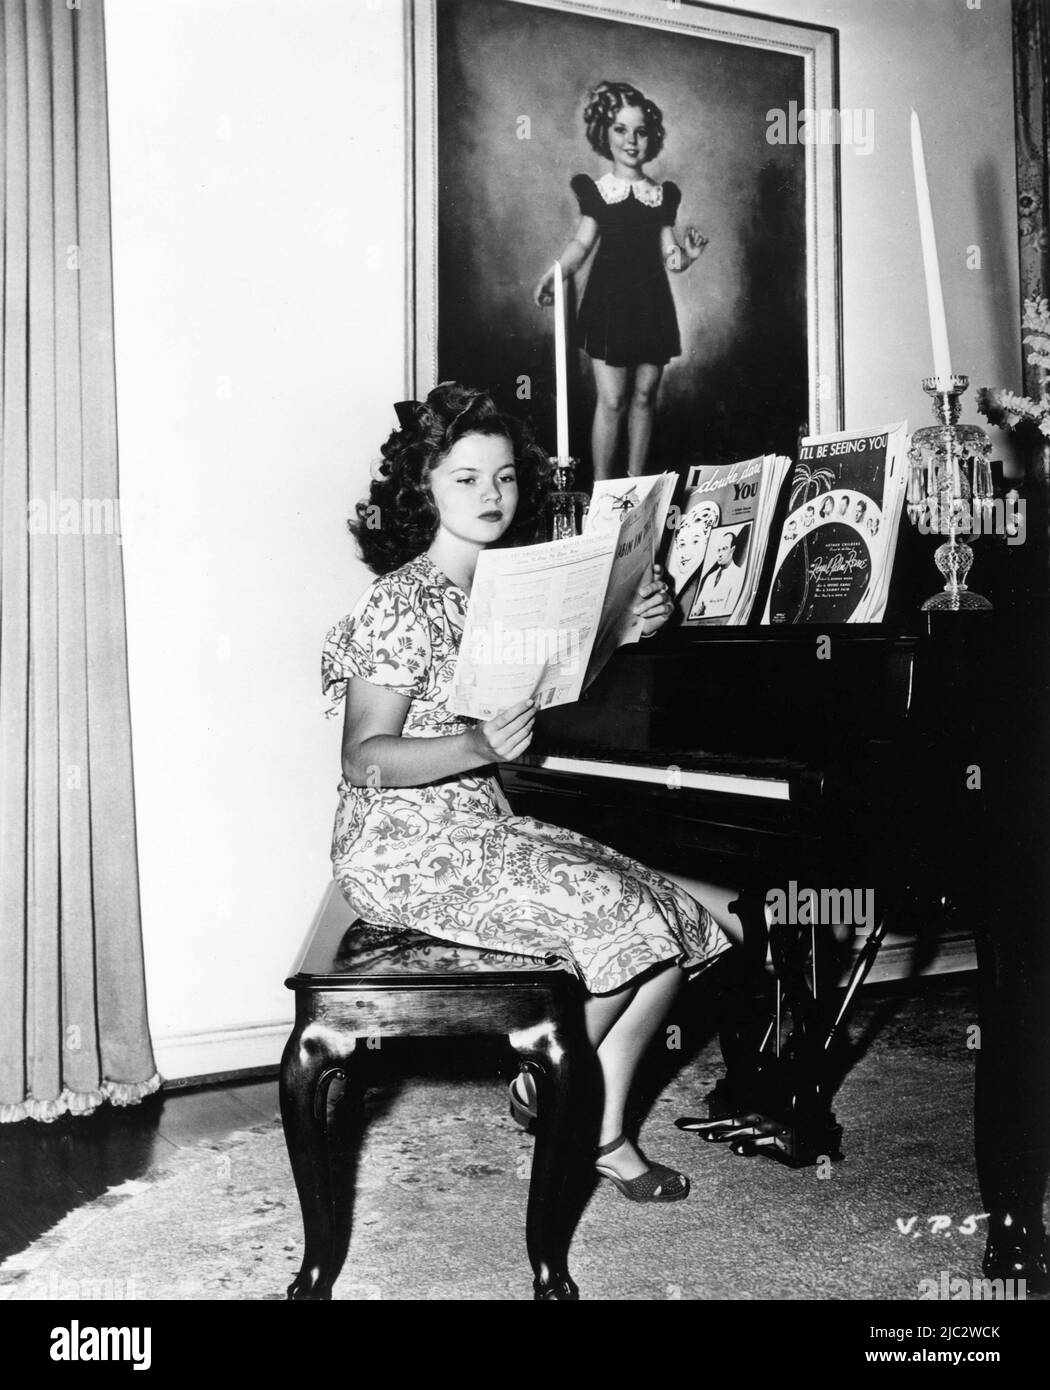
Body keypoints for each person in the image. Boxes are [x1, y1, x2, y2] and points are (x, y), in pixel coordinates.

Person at [323, 382, 748, 1203]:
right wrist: (475, 744)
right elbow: (363, 760)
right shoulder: (399, 601)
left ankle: (603, 1129)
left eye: (506, 477)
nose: (492, 495)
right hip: (403, 848)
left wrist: (628, 621)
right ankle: (546, 1084)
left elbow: (551, 678)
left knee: (679, 920)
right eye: (465, 478)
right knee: (625, 924)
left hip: (480, 825)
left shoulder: (502, 587)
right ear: (423, 490)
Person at [535, 81, 708, 480]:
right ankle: (602, 491)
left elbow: (670, 254)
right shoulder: (597, 191)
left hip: (651, 304)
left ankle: (636, 483)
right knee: (612, 400)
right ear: (604, 133)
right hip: (609, 305)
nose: (632, 140)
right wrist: (555, 273)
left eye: (640, 131)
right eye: (620, 129)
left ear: (652, 136)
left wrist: (688, 256)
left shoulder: (662, 195)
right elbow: (582, 242)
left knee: (645, 396)